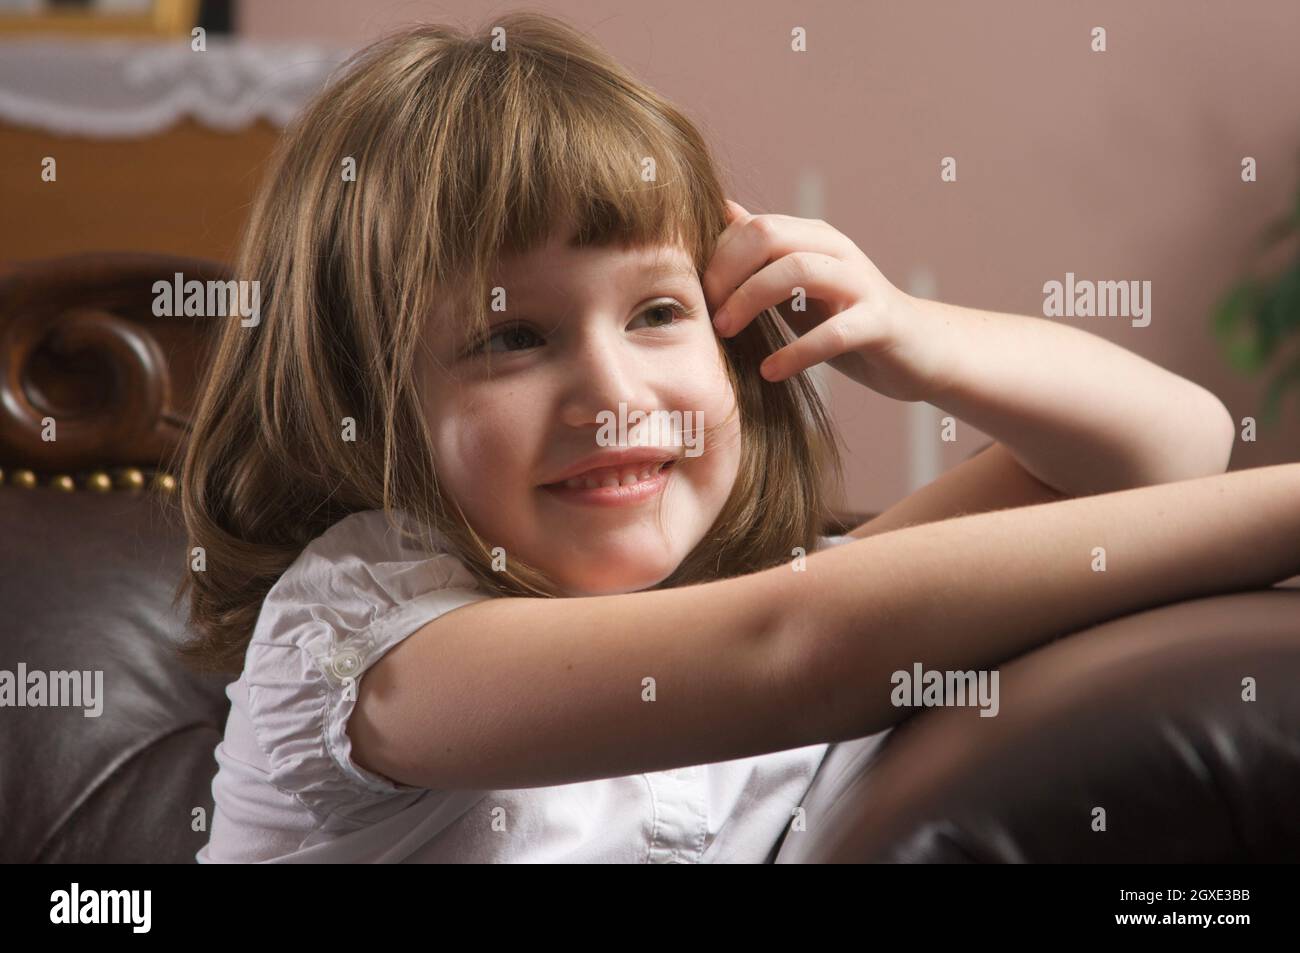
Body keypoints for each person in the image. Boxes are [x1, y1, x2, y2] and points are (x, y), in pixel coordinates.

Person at [179, 12, 1300, 863]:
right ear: (361, 399)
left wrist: (914, 336)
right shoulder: (352, 635)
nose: (612, 394)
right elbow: (791, 648)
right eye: (510, 336)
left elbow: (1170, 447)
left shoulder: (768, 617)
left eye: (658, 312)